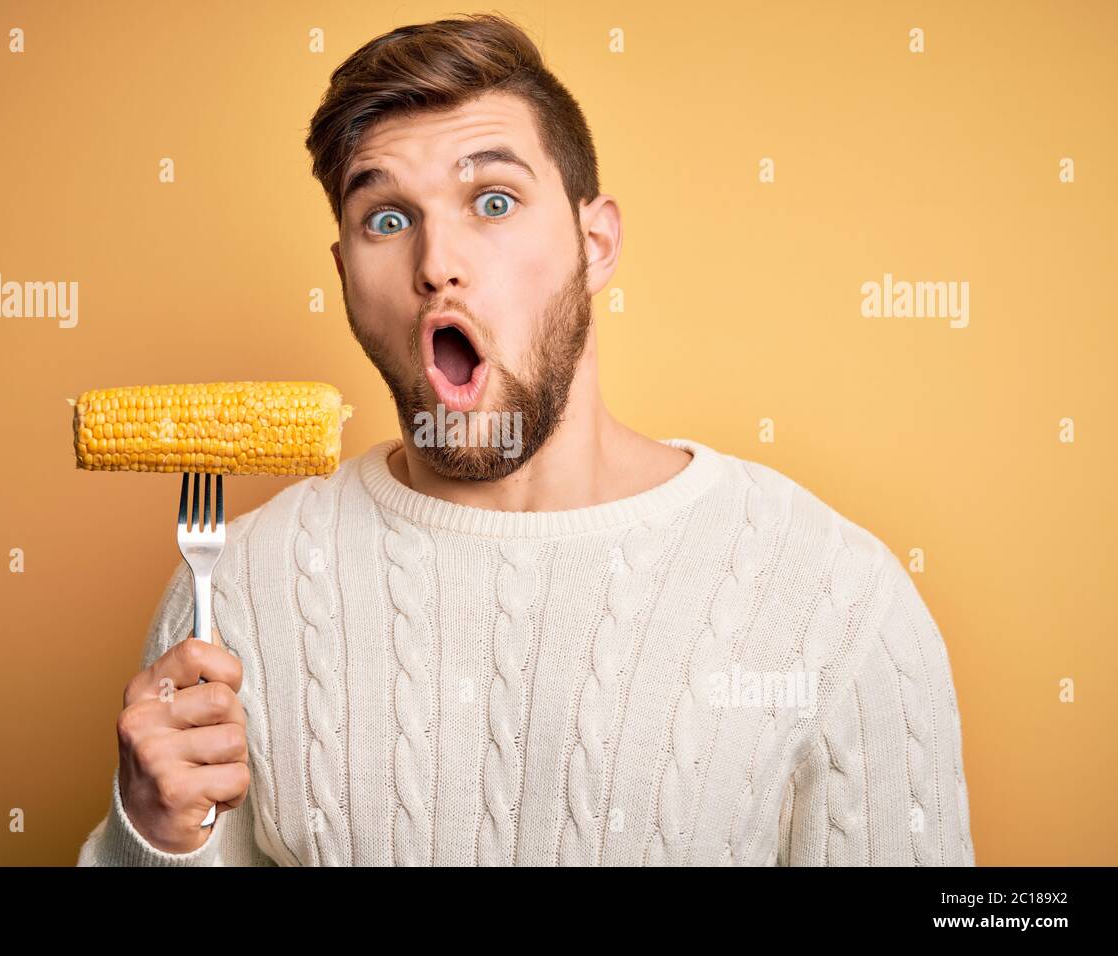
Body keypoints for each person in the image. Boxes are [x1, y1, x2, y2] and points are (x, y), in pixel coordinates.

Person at [77, 13, 974, 867]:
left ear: (595, 244)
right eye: (385, 219)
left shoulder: (830, 599)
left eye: (493, 200)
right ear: (345, 275)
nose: (436, 263)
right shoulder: (232, 592)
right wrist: (152, 837)